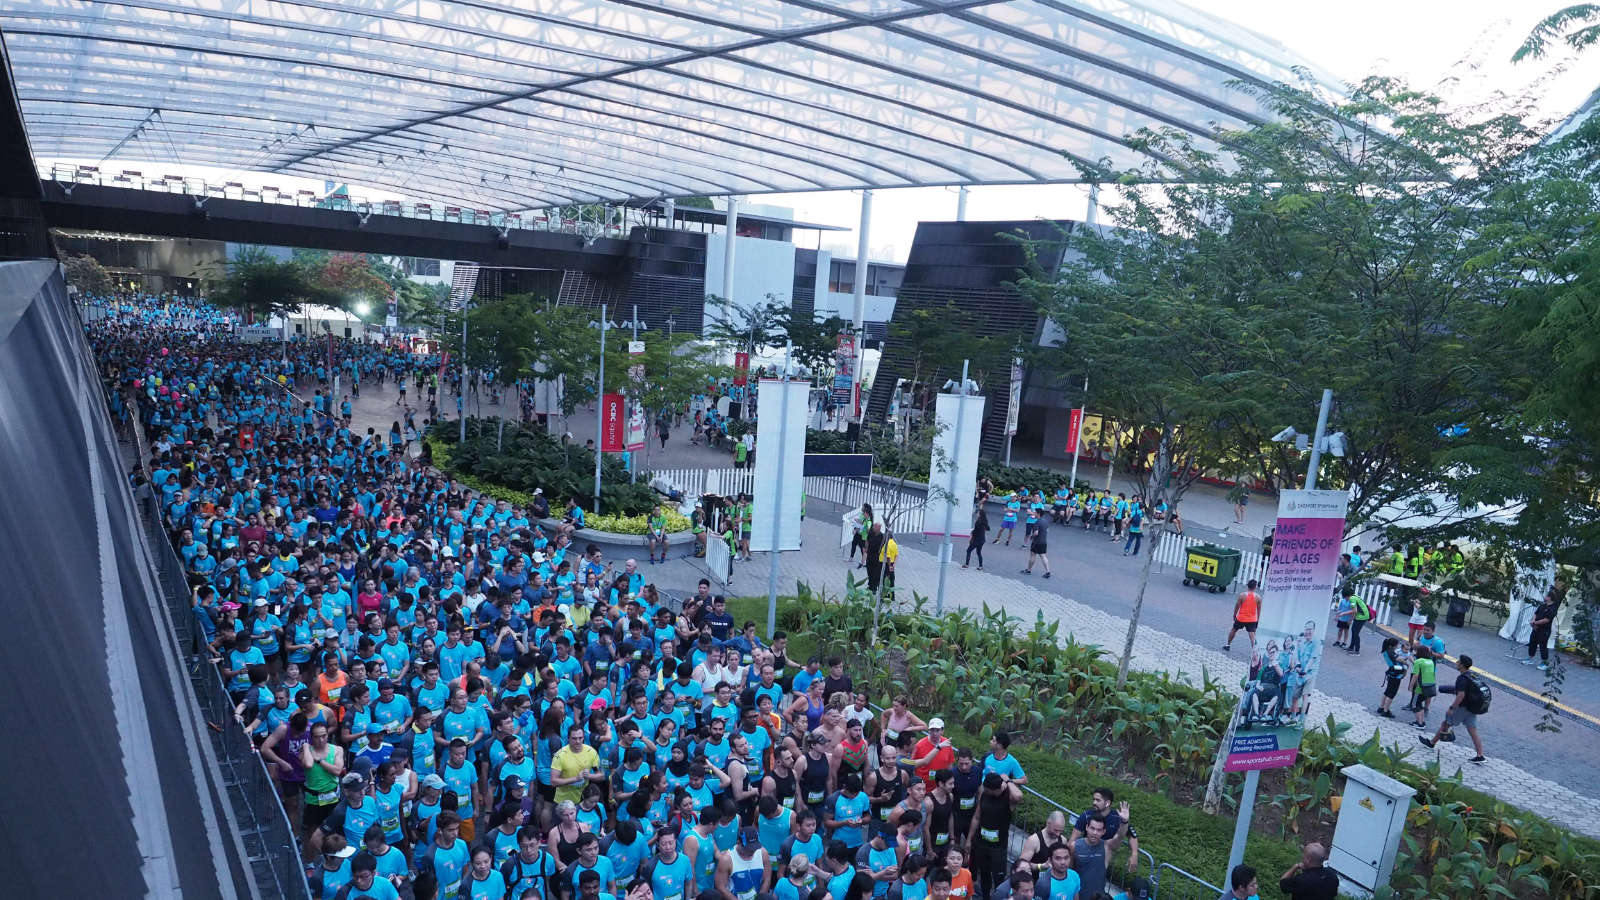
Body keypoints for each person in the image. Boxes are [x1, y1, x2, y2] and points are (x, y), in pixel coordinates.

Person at [1420, 654, 1488, 763]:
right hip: (1472, 708)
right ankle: (1480, 755)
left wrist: (1452, 708)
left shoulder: (1461, 678)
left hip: (1462, 708)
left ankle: (1431, 743)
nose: (1456, 663)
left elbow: (1461, 695)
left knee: (1445, 724)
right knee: (1473, 730)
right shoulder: (1472, 675)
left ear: (1462, 665)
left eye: (1458, 662)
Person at [1525, 587, 1562, 670]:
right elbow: (1536, 613)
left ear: (1549, 598)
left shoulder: (1553, 608)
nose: (1545, 597)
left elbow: (1547, 620)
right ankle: (1530, 658)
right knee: (1532, 643)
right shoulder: (1542, 605)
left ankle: (1544, 663)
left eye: (1546, 596)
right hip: (1536, 628)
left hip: (1545, 630)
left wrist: (1535, 623)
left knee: (1543, 646)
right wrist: (1533, 621)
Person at [1222, 581, 1261, 653]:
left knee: (1234, 630)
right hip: (1252, 619)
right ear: (1255, 587)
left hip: (1241, 618)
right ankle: (1254, 651)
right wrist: (1258, 620)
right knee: (1252, 635)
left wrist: (1234, 615)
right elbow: (1259, 610)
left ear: (1247, 586)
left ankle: (1228, 645)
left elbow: (1237, 606)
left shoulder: (1242, 595)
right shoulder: (1258, 597)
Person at [1377, 638, 1408, 719]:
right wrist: (1406, 663)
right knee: (1392, 693)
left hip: (1391, 673)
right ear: (1392, 646)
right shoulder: (1391, 652)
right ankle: (1386, 711)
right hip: (1396, 674)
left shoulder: (1386, 651)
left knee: (1387, 691)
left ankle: (1381, 707)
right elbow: (1399, 659)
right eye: (1396, 645)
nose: (1397, 646)